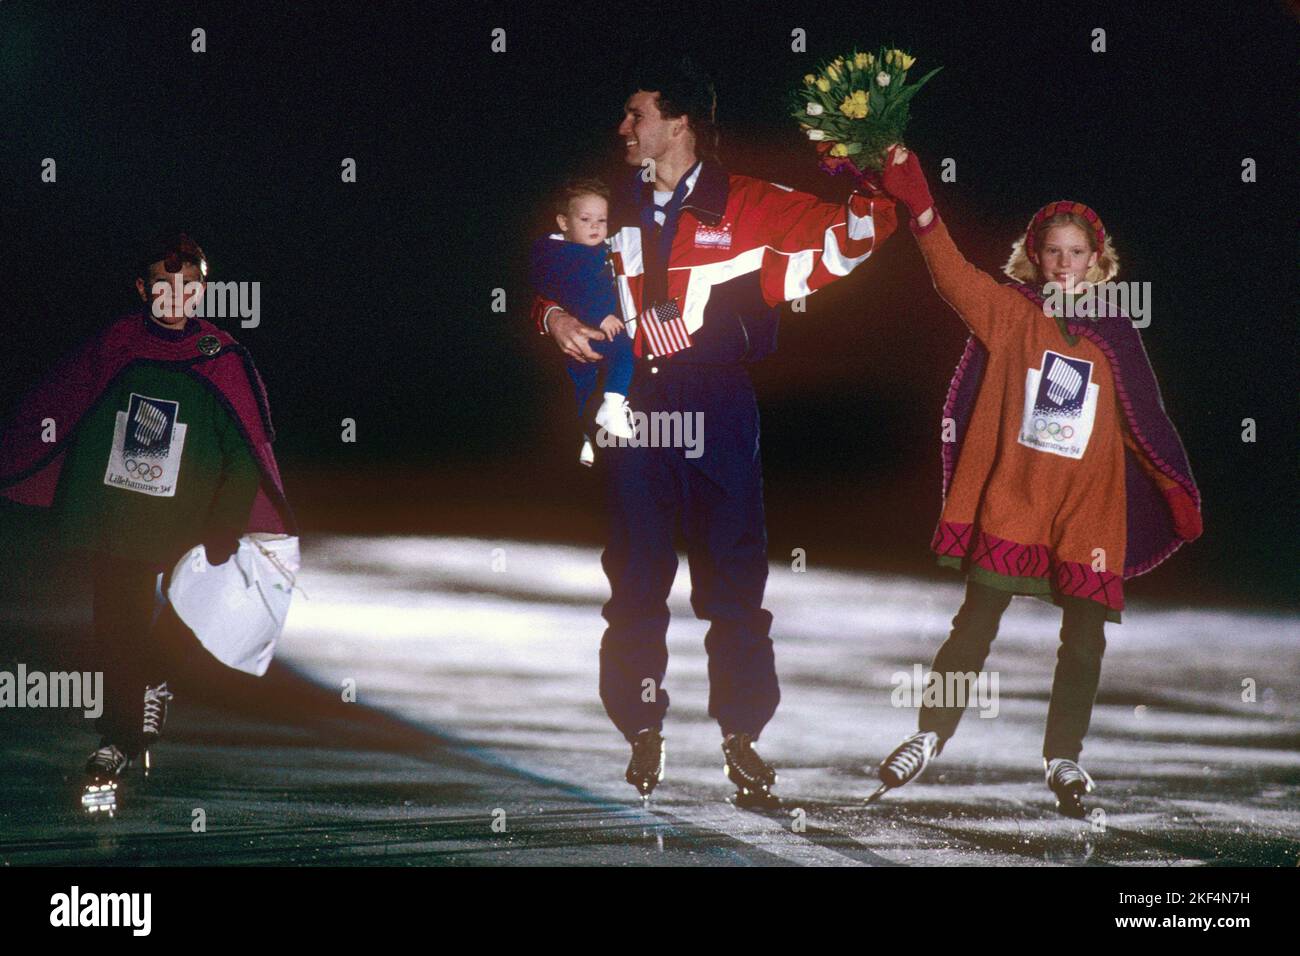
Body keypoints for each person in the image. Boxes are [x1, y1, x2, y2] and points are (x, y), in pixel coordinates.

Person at [530, 56, 898, 805]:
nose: (623, 129)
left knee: (733, 581)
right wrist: (555, 317)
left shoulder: (753, 203)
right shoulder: (610, 208)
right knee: (634, 578)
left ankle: (742, 734)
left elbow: (850, 241)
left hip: (718, 407)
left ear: (679, 122)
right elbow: (549, 275)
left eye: (636, 115)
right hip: (635, 407)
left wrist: (869, 172)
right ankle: (640, 725)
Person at [868, 147, 1202, 817]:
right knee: (975, 622)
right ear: (1036, 256)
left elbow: (1144, 417)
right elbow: (952, 275)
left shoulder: (1115, 332)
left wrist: (1175, 487)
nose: (1064, 262)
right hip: (1015, 499)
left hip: (1087, 510)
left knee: (1084, 639)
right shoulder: (1011, 313)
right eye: (1053, 250)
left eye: (1077, 252)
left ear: (1096, 262)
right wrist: (922, 205)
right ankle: (929, 734)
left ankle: (1064, 757)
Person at [0, 232, 297, 811]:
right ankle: (117, 740)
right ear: (143, 289)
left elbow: (244, 450)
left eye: (190, 287)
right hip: (121, 522)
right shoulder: (117, 345)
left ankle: (155, 680)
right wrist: (69, 492)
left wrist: (225, 524)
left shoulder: (221, 357)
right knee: (115, 631)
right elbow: (64, 409)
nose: (177, 296)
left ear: (204, 293)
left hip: (189, 523)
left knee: (189, 618)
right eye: (165, 285)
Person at [529, 178, 636, 467]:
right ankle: (612, 407)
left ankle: (589, 437)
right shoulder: (568, 255)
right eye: (585, 219)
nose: (595, 226)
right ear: (563, 222)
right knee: (624, 354)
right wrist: (601, 315)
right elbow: (573, 288)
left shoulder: (588, 249)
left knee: (585, 387)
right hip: (598, 328)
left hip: (585, 336)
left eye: (602, 220)